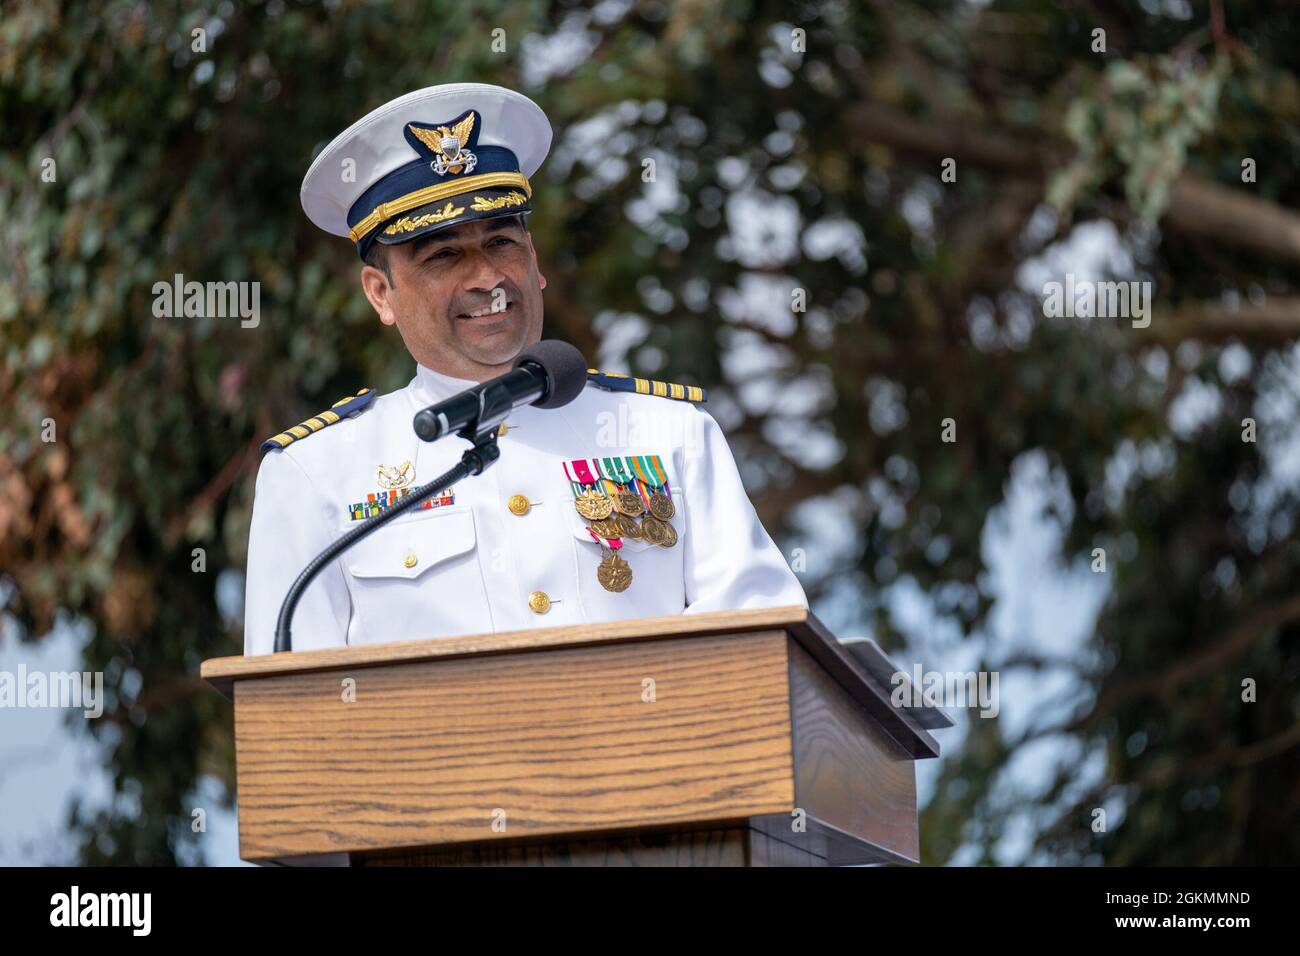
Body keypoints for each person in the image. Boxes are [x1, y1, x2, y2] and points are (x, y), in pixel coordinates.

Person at [243, 83, 806, 655]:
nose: (487, 278)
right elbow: (288, 698)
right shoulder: (316, 472)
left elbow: (761, 643)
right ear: (381, 294)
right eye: (443, 255)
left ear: (534, 261)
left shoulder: (668, 432)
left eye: (501, 242)